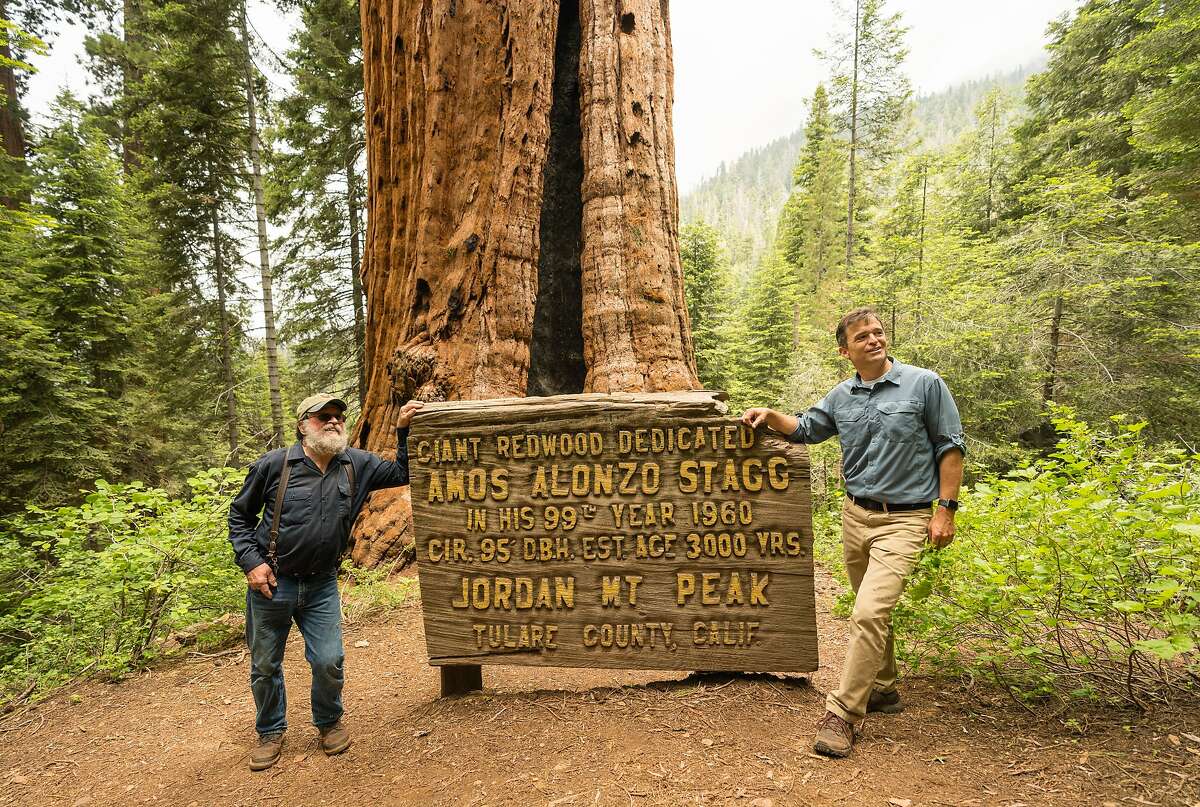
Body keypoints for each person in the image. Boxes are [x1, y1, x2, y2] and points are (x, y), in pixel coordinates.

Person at [741, 308, 965, 759]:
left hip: (905, 518)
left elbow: (950, 446)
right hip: (855, 515)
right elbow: (807, 429)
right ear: (845, 350)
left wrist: (945, 511)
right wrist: (771, 415)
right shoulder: (842, 396)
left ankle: (842, 714)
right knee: (871, 608)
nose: (874, 340)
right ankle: (883, 687)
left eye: (878, 332)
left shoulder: (924, 384)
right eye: (862, 336)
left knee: (867, 612)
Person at [228, 392, 424, 771]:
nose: (334, 421)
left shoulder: (356, 464)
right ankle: (270, 731)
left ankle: (329, 722)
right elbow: (240, 517)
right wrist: (252, 563)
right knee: (265, 664)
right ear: (303, 426)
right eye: (323, 417)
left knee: (329, 660)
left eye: (338, 416)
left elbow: (403, 473)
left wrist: (402, 430)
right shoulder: (274, 465)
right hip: (273, 584)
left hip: (321, 585)